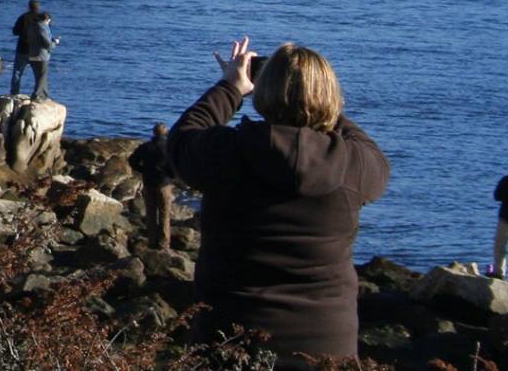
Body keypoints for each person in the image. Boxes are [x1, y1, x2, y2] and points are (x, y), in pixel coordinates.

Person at [165, 38, 388, 365]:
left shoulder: (228, 151)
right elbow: (377, 159)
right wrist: (320, 105)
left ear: (265, 92)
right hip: (326, 347)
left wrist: (231, 87)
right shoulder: (352, 165)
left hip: (231, 339)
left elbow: (182, 139)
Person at [130, 122, 176, 249]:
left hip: (148, 182)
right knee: (165, 214)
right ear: (166, 133)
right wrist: (172, 175)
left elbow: (132, 160)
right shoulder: (169, 147)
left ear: (153, 133)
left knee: (150, 213)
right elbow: (175, 164)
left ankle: (152, 241)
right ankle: (164, 243)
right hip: (164, 184)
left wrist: (142, 169)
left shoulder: (146, 147)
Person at [10, 1, 55, 100]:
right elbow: (47, 35)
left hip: (22, 48)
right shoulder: (43, 19)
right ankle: (40, 95)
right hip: (37, 50)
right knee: (40, 75)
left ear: (28, 7)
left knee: (17, 72)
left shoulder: (23, 17)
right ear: (38, 7)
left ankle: (14, 93)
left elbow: (15, 31)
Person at [493, 175, 508, 277]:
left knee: (500, 247)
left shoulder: (506, 180)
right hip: (504, 217)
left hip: (505, 218)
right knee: (500, 246)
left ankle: (499, 273)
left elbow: (497, 196)